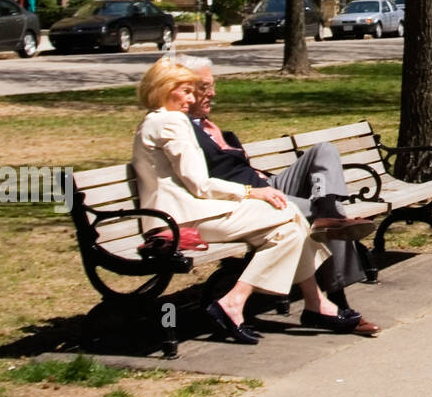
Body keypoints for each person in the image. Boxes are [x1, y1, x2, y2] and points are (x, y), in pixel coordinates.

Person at [130, 57, 367, 344]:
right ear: (164, 88)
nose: (192, 99)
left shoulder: (156, 121)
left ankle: (256, 303)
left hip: (188, 214)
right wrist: (250, 192)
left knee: (290, 227)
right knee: (291, 215)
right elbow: (199, 183)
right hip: (183, 220)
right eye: (187, 91)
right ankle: (286, 301)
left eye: (196, 91)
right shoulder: (172, 121)